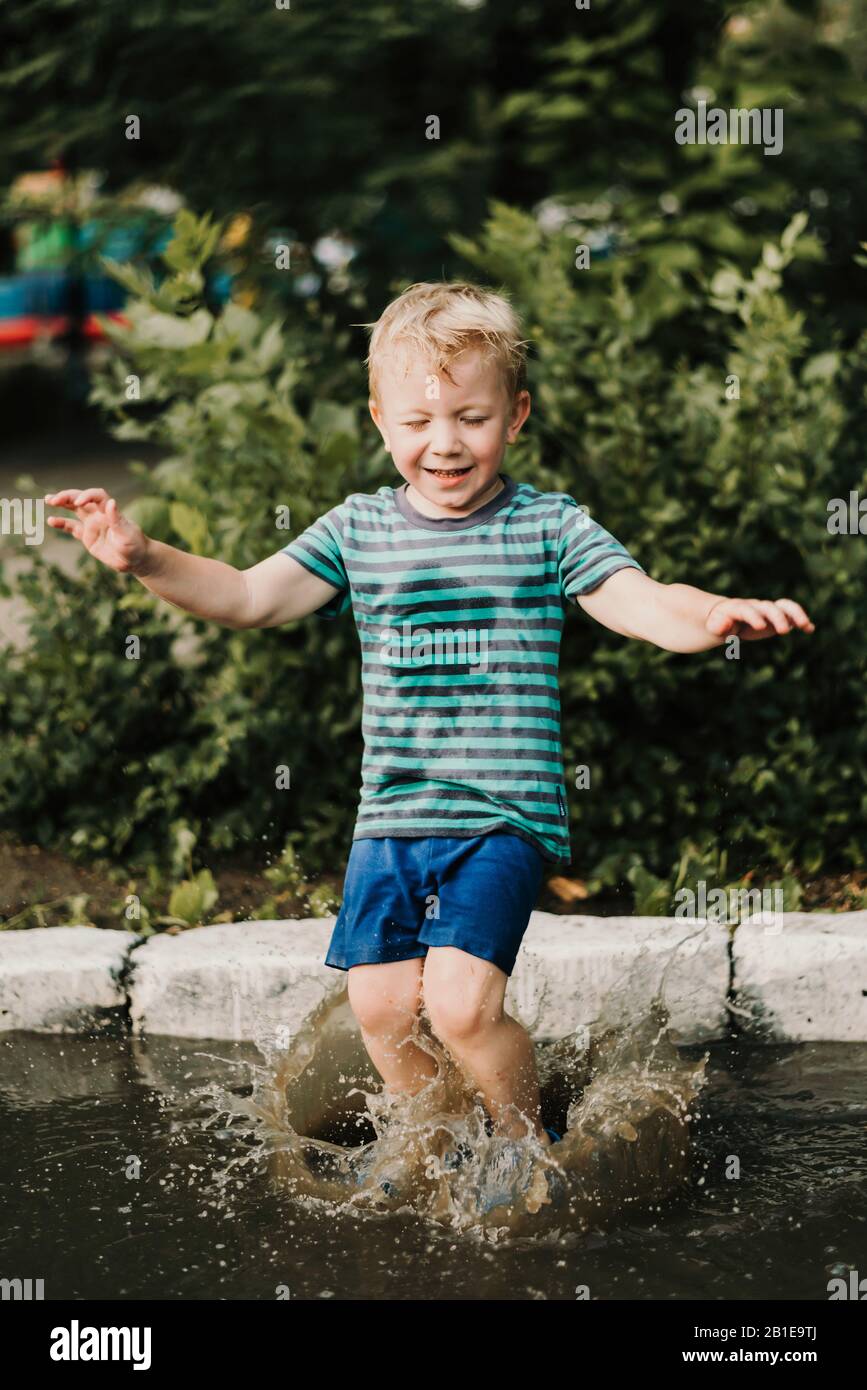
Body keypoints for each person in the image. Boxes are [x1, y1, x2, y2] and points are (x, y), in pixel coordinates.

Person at [44, 280, 814, 1201]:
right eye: (417, 419)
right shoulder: (360, 530)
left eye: (471, 417)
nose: (443, 441)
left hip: (502, 814)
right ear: (379, 421)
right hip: (392, 818)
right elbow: (247, 597)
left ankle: (528, 1147)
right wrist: (142, 557)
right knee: (378, 1008)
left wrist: (714, 617)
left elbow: (643, 602)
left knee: (456, 1004)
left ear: (515, 416)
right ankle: (437, 1137)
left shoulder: (546, 528)